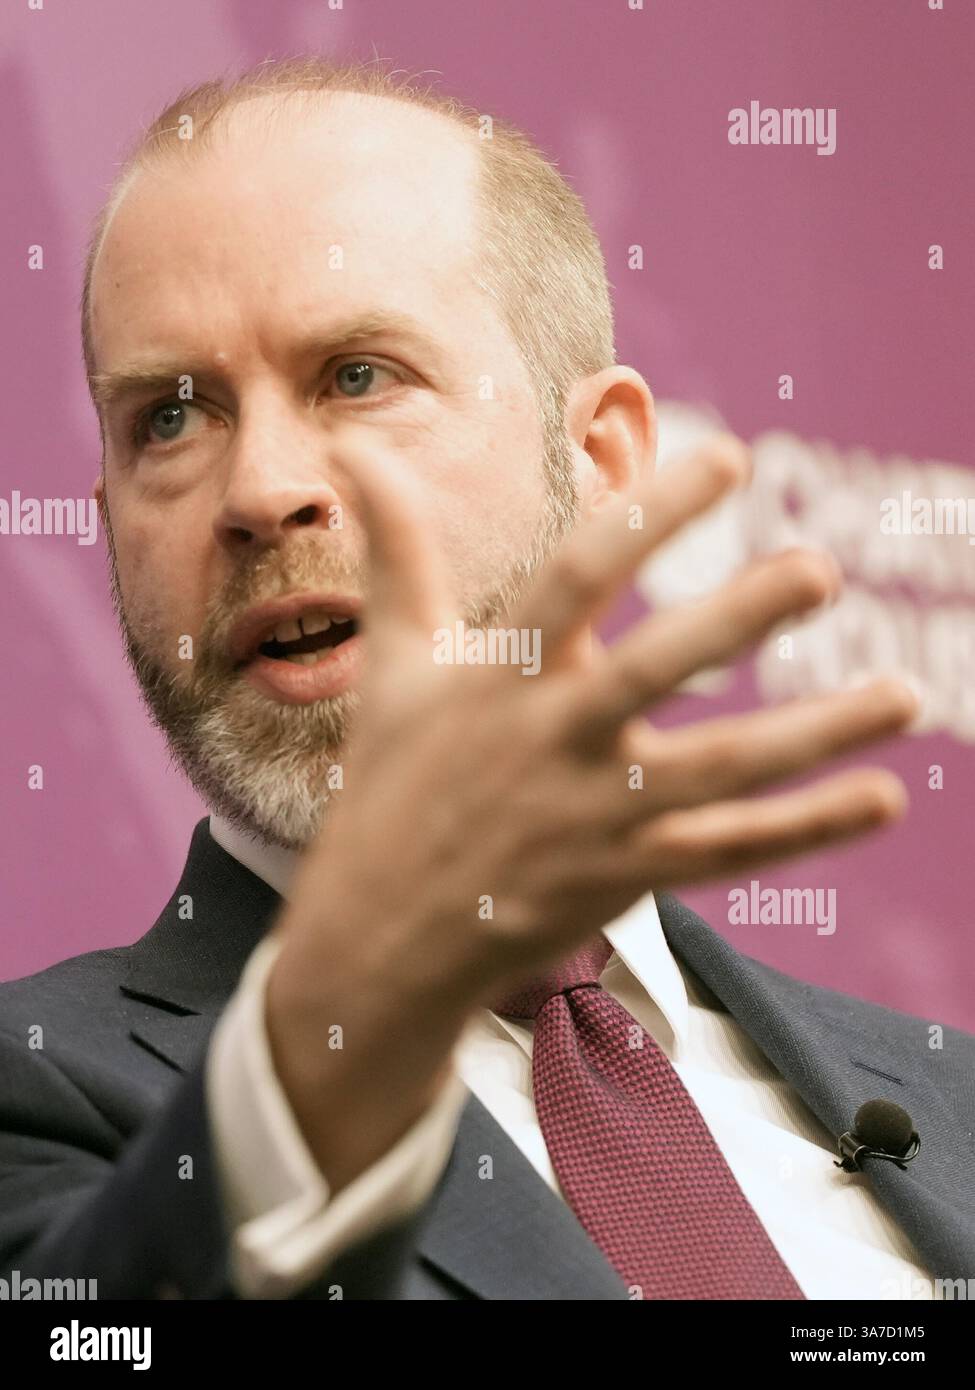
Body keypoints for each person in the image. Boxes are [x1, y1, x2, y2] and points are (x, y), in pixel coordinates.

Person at [1, 57, 972, 1302]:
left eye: (356, 376)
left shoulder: (951, 1096)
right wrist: (337, 1034)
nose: (256, 492)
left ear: (602, 461)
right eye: (170, 420)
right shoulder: (43, 1099)